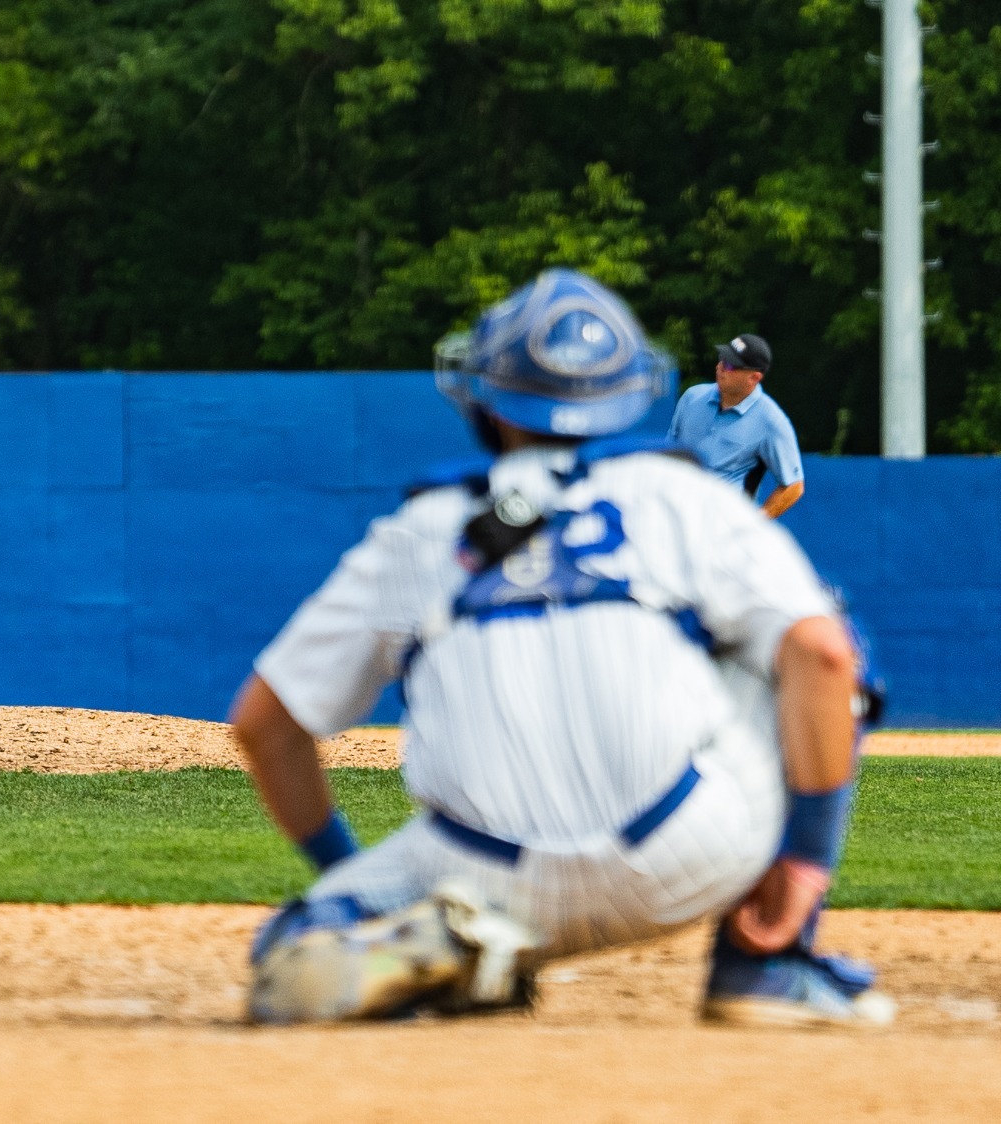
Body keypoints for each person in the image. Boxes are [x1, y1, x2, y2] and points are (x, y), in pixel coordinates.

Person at [232, 270, 893, 1029]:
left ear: (482, 397)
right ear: (629, 391)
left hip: (477, 874)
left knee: (298, 941)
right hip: (690, 850)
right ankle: (765, 965)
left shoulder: (417, 531)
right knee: (829, 630)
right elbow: (822, 657)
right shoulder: (684, 497)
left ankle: (431, 938)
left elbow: (264, 725)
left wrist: (347, 872)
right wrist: (804, 859)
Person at [667, 333, 805, 517]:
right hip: (672, 516)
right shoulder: (692, 397)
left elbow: (794, 486)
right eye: (722, 359)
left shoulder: (771, 421)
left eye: (730, 365)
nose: (720, 367)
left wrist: (753, 522)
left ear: (754, 377)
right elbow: (669, 454)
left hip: (720, 525)